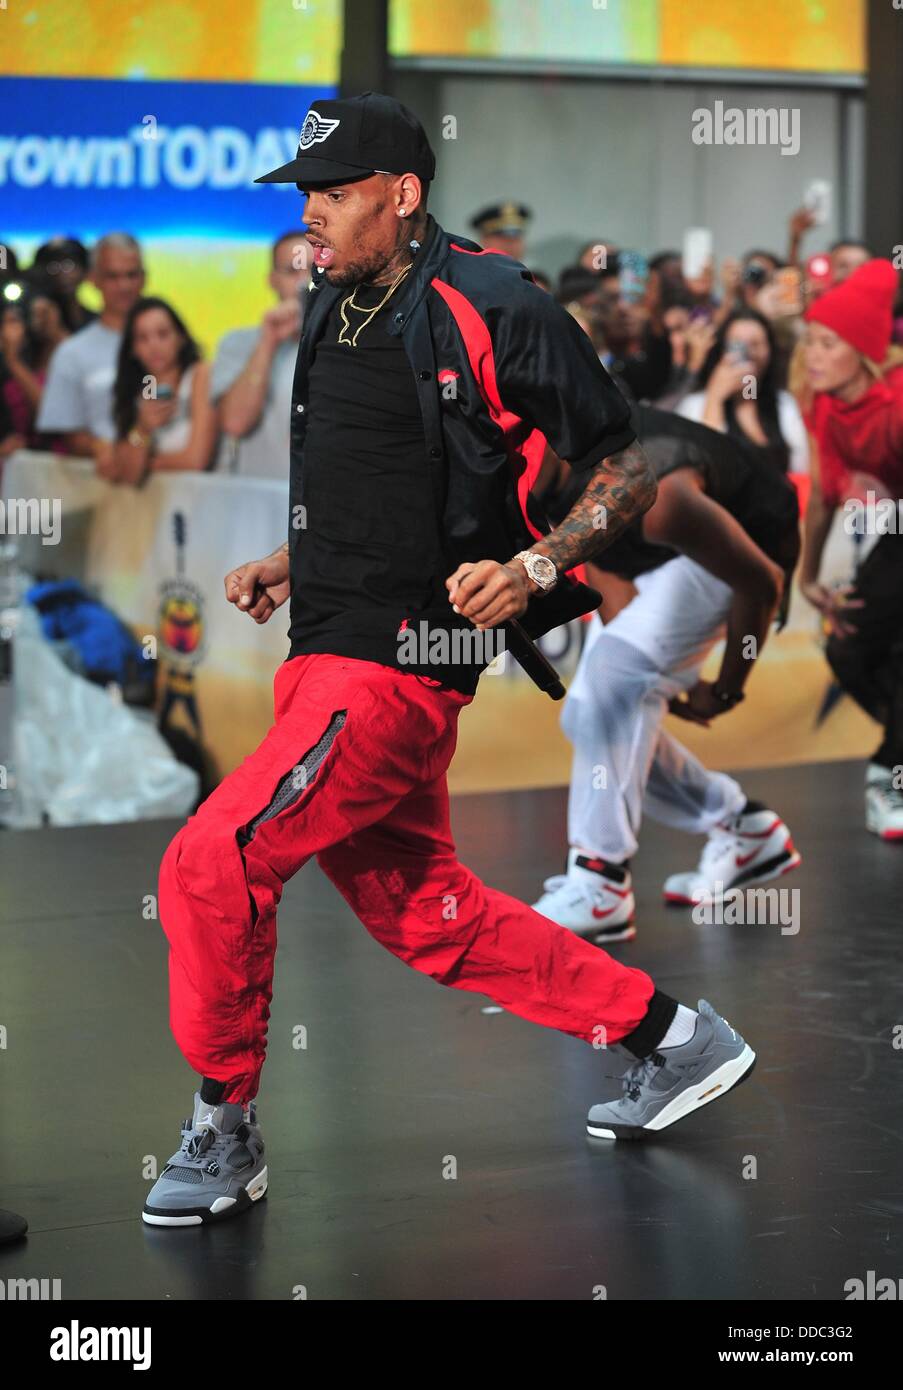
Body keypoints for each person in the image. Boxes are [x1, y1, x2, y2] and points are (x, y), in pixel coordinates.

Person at [142, 93, 756, 1225]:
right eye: (304, 197)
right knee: (427, 910)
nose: (308, 221)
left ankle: (223, 1130)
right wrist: (294, 555)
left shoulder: (498, 299)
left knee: (209, 863)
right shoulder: (338, 298)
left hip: (392, 671)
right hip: (328, 641)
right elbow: (396, 475)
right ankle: (674, 1035)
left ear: (403, 193)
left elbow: (625, 462)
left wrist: (534, 568)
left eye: (331, 195)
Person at [531, 405, 801, 938]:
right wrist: (639, 673)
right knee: (592, 711)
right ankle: (744, 827)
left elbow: (760, 582)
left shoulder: (660, 490)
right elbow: (606, 567)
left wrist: (725, 689)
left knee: (612, 683)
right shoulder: (552, 475)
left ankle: (602, 884)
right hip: (672, 558)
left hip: (747, 548)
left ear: (547, 441)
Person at [797, 259, 903, 840]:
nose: (812, 355)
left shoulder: (898, 403)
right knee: (849, 651)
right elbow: (822, 500)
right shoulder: (827, 406)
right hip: (896, 533)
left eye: (827, 343)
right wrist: (809, 578)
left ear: (860, 350)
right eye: (809, 340)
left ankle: (888, 768)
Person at [36, 232, 146, 468]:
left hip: (170, 481)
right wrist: (104, 448)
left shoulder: (167, 345)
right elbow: (68, 434)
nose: (124, 285)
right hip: (97, 486)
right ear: (94, 278)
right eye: (112, 276)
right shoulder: (72, 352)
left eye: (131, 275)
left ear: (144, 278)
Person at [211, 231, 310, 479]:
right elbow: (235, 422)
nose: (304, 282)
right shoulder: (238, 344)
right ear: (272, 280)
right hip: (254, 504)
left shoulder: (348, 343)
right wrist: (268, 342)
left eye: (315, 270)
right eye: (292, 271)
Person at [678, 310, 808, 474]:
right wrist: (715, 398)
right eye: (737, 345)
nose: (747, 353)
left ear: (770, 351)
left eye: (755, 344)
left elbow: (803, 467)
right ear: (722, 351)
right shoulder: (695, 405)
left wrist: (747, 399)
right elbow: (702, 465)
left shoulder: (785, 405)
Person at [110, 297, 216, 482]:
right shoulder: (134, 391)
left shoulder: (200, 375)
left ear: (181, 337)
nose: (154, 346)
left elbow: (196, 460)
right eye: (143, 338)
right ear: (133, 349)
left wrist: (143, 463)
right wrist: (142, 429)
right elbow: (128, 475)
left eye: (163, 334)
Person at [0, 286, 72, 453]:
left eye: (14, 321)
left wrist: (12, 359)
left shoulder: (52, 354)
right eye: (4, 322)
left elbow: (50, 412)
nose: (6, 331)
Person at [30, 237, 95, 330]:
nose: (61, 274)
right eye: (53, 266)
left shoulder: (96, 320)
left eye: (68, 265)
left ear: (85, 270)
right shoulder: (35, 322)